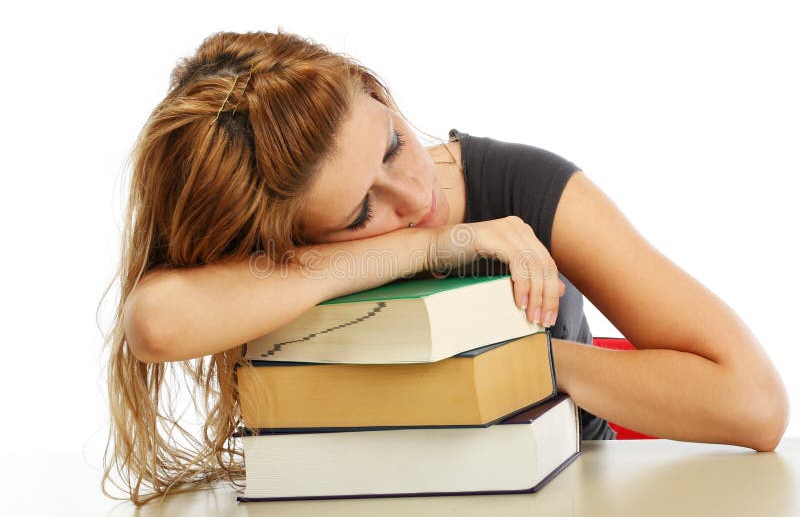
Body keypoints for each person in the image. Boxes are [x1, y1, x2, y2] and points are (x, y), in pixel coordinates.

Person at [100, 29, 789, 506]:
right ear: (279, 239)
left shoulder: (520, 184)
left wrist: (511, 363)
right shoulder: (272, 256)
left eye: (393, 145)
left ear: (377, 92)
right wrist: (422, 250)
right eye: (357, 214)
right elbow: (157, 323)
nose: (417, 195)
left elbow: (756, 408)